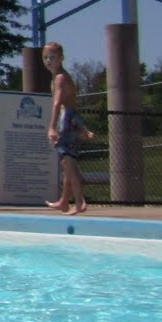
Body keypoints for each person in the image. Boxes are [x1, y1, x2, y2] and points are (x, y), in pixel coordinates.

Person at [42, 42, 94, 214]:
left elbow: (58, 104)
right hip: (70, 118)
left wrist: (52, 127)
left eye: (52, 57)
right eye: (45, 57)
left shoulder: (60, 78)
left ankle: (79, 201)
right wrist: (82, 128)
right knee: (67, 163)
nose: (48, 61)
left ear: (61, 58)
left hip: (66, 118)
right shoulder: (60, 77)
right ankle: (64, 201)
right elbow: (72, 106)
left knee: (67, 162)